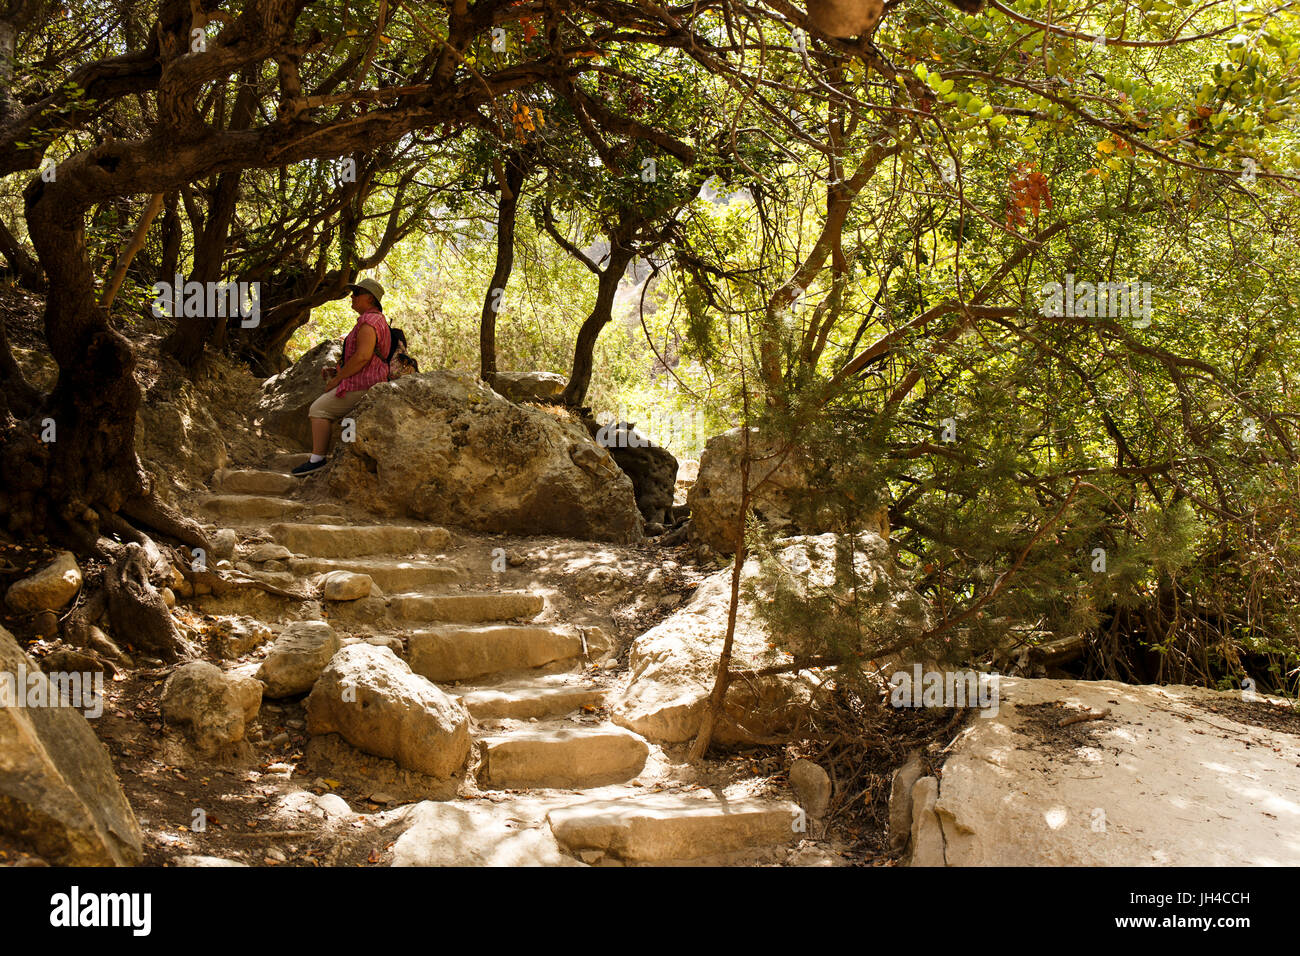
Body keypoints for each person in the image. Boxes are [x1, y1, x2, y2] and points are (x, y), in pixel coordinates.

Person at [291, 277, 391, 476]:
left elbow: (363, 357)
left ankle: (317, 460)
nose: (352, 297)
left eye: (356, 294)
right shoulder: (376, 320)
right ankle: (342, 456)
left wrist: (337, 380)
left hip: (364, 383)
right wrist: (338, 372)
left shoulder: (369, 321)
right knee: (343, 416)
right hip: (370, 379)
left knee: (319, 410)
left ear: (370, 299)